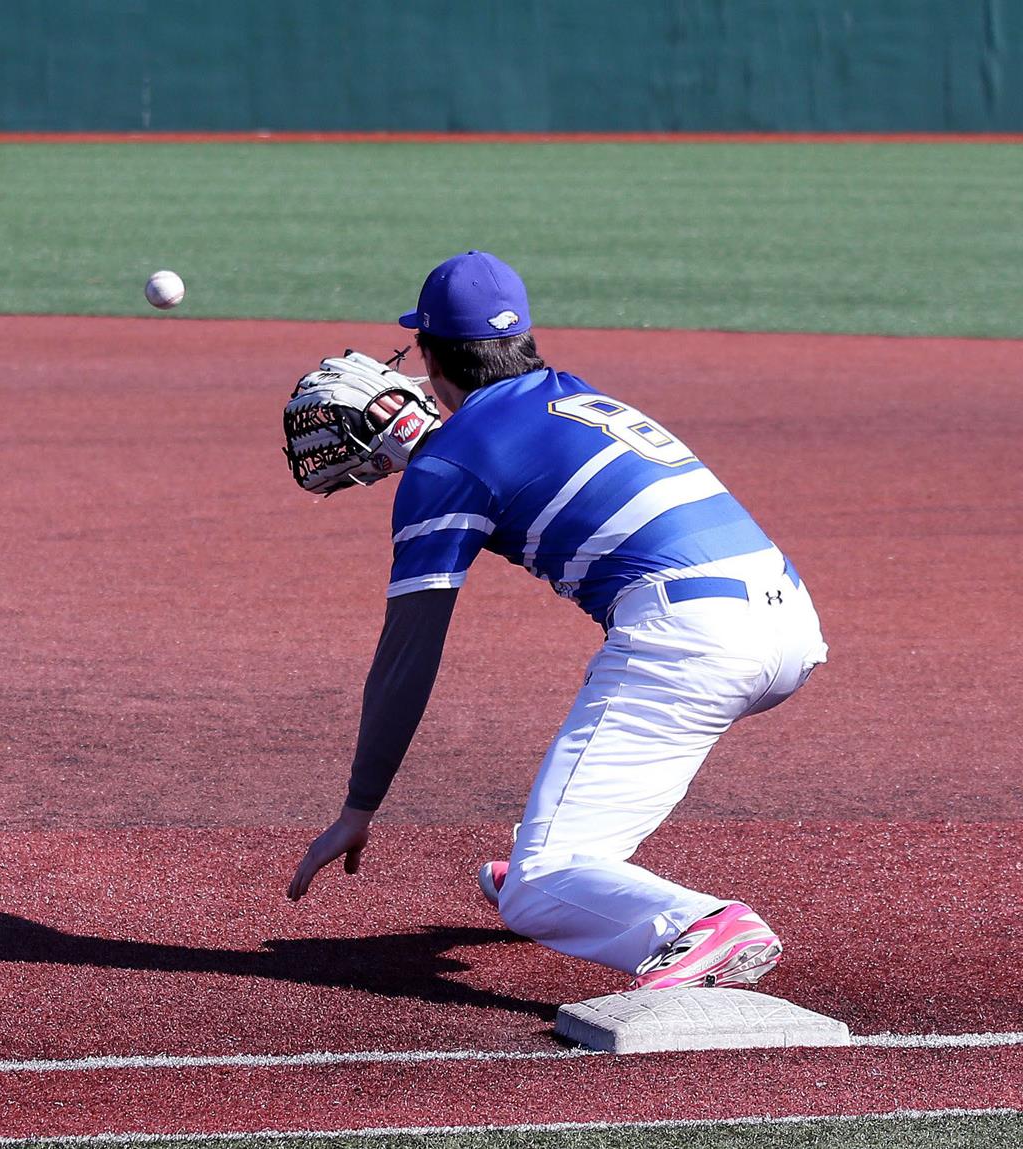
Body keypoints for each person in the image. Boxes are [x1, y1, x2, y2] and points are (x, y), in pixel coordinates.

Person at [286, 251, 827, 991]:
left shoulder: (446, 468)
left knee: (542, 883)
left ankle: (701, 925)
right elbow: (507, 451)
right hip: (786, 616)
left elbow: (409, 652)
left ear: (432, 352)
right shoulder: (568, 393)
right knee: (556, 859)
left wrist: (359, 804)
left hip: (693, 641)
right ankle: (569, 863)